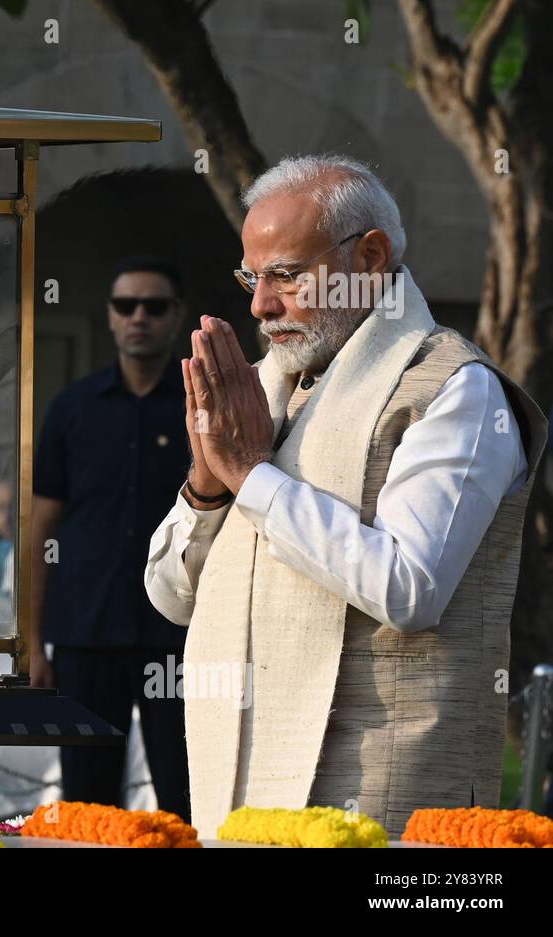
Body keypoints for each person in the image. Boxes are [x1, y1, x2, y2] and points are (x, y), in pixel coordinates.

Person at [144, 155, 546, 838]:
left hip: (383, 796)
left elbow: (409, 586)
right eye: (252, 276)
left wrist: (253, 477)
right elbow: (169, 597)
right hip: (244, 789)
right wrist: (208, 486)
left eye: (287, 276)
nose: (260, 305)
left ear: (370, 255)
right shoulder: (268, 388)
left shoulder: (456, 389)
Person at [30, 254, 193, 817]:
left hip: (178, 639)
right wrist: (32, 642)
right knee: (87, 804)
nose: (139, 317)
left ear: (177, 316)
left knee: (185, 797)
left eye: (153, 306)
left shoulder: (202, 409)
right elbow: (39, 531)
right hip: (85, 636)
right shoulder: (71, 409)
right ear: (110, 316)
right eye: (127, 306)